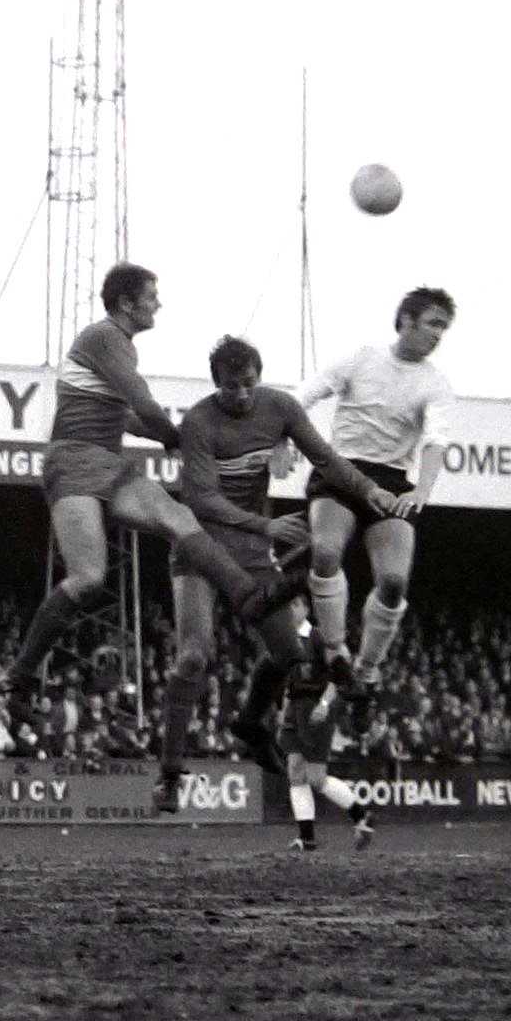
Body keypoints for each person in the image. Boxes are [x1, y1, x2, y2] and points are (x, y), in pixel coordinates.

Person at [8, 264, 308, 688]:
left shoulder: (113, 344)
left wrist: (190, 440)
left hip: (108, 462)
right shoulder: (106, 337)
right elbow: (143, 405)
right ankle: (20, 673)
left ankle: (249, 596)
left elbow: (126, 418)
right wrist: (176, 439)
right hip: (73, 462)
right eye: (152, 296)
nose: (158, 304)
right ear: (127, 304)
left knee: (181, 519)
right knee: (89, 579)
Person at [168, 335, 399, 844]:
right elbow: (202, 500)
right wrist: (267, 527)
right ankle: (171, 771)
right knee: (193, 656)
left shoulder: (280, 407)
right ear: (216, 384)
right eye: (232, 387)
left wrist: (367, 488)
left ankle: (249, 724)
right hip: (200, 545)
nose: (242, 394)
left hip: (249, 550)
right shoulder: (200, 422)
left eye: (250, 383)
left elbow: (327, 459)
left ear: (260, 376)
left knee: (291, 652)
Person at [297, 287, 458, 722]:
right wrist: (282, 441)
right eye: (433, 323)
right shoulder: (362, 359)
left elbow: (436, 439)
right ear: (405, 320)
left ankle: (366, 671)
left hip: (390, 480)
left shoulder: (435, 384)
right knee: (326, 552)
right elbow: (304, 395)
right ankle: (335, 650)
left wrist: (421, 490)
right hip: (342, 471)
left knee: (393, 583)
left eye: (444, 326)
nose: (439, 334)